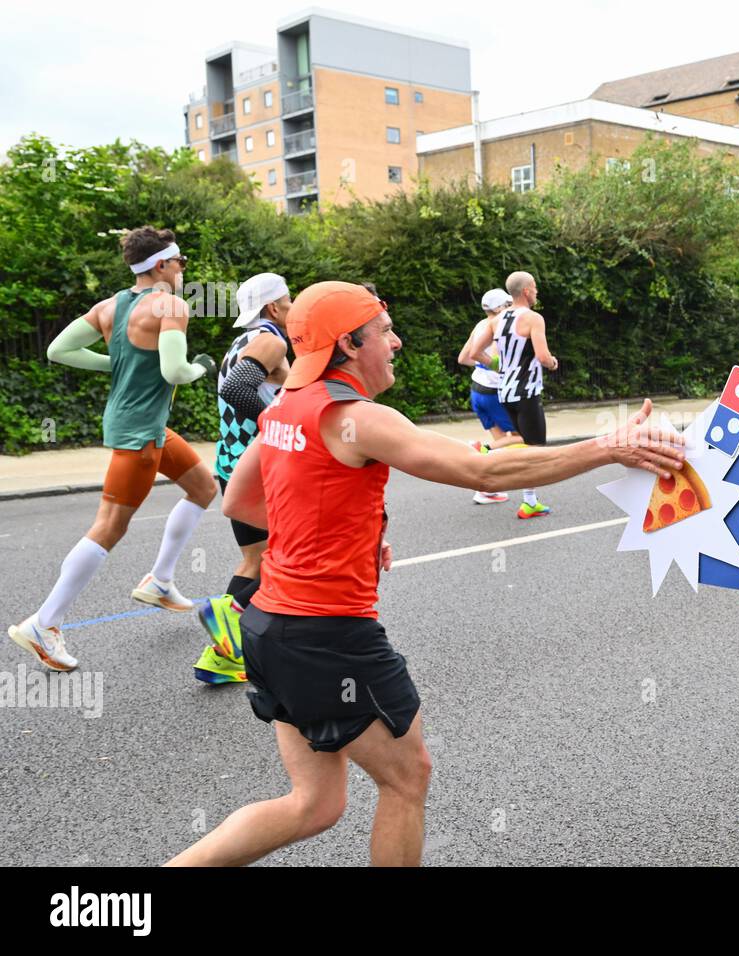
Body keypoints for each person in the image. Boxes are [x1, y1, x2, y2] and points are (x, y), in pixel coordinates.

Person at [165, 282, 683, 866]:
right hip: (326, 637)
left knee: (313, 804)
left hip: (267, 628)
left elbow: (240, 501)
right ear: (349, 343)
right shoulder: (353, 415)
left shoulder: (286, 403)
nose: (397, 341)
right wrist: (610, 446)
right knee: (408, 778)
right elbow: (480, 472)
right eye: (384, 331)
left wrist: (338, 534)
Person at [8, 227, 217, 672]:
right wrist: (201, 367)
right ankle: (44, 623)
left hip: (145, 426)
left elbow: (58, 349)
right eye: (180, 262)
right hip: (141, 433)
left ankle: (160, 580)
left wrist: (116, 362)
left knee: (202, 486)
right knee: (108, 527)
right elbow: (175, 371)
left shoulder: (109, 306)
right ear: (161, 265)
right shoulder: (171, 306)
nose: (183, 270)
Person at [194, 272, 293, 684]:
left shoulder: (241, 342)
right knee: (291, 554)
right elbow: (237, 390)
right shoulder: (272, 340)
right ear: (273, 307)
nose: (294, 307)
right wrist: (279, 423)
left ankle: (221, 658)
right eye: (289, 301)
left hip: (231, 463)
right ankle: (228, 611)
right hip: (258, 467)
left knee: (259, 558)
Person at [466, 271, 559, 519]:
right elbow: (542, 356)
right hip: (526, 391)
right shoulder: (533, 319)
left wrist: (501, 366)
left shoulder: (496, 320)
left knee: (522, 443)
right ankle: (525, 499)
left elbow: (475, 352)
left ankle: (494, 461)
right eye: (535, 288)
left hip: (504, 392)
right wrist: (552, 364)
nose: (537, 292)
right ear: (527, 290)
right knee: (535, 450)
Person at [457, 288, 523, 505]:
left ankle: (486, 490)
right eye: (507, 304)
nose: (511, 308)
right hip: (495, 393)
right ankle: (478, 449)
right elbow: (503, 364)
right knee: (522, 436)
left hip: (477, 390)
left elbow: (463, 358)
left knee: (502, 443)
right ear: (498, 308)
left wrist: (484, 366)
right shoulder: (501, 328)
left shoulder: (480, 325)